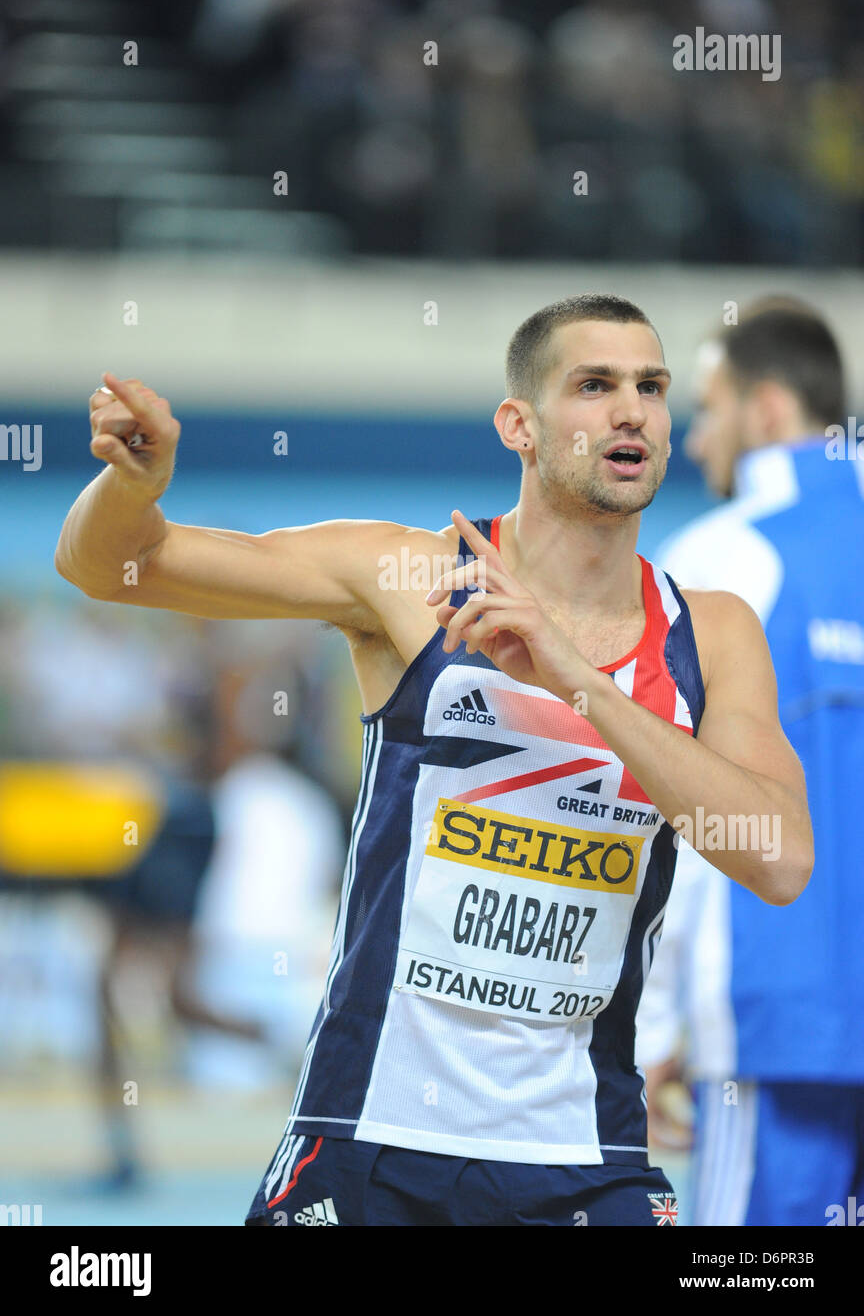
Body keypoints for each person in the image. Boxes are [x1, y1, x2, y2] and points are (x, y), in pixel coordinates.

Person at [55, 293, 812, 1228]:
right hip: (371, 1141)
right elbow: (110, 566)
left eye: (652, 387)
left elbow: (777, 859)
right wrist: (130, 490)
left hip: (582, 1155)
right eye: (595, 385)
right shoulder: (408, 578)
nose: (633, 411)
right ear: (519, 426)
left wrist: (583, 683)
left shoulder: (714, 632)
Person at [636, 300, 864, 1226]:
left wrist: (650, 1025)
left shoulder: (723, 557)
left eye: (708, 407)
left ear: (767, 410)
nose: (692, 441)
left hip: (777, 1015)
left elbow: (680, 809)